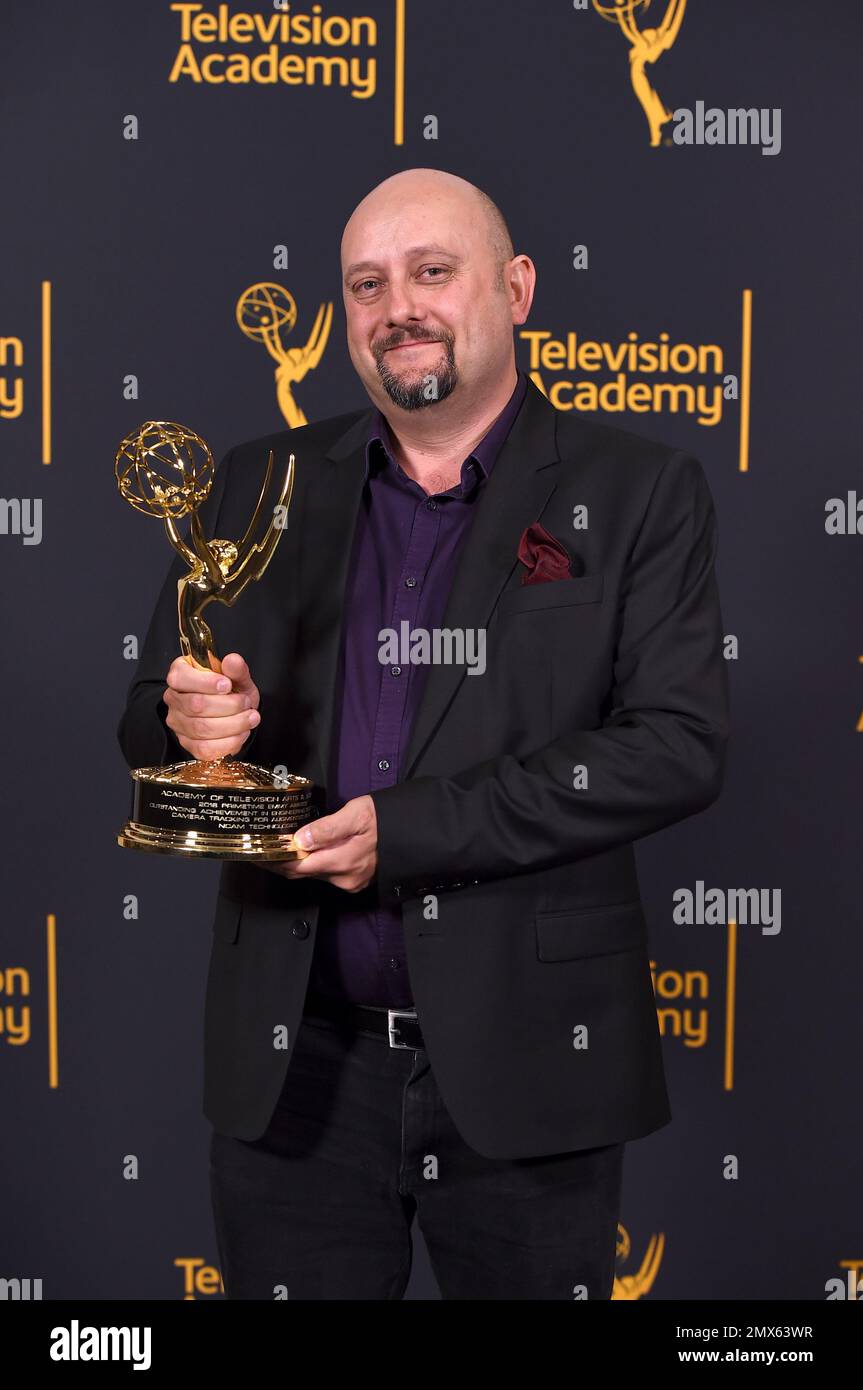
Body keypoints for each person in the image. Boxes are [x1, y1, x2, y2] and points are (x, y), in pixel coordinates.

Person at [117, 167, 729, 1300]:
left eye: (431, 272)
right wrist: (187, 717)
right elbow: (147, 719)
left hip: (531, 1070)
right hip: (295, 1072)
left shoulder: (637, 491)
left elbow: (677, 742)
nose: (396, 306)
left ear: (517, 288)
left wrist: (411, 830)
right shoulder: (263, 483)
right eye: (364, 283)